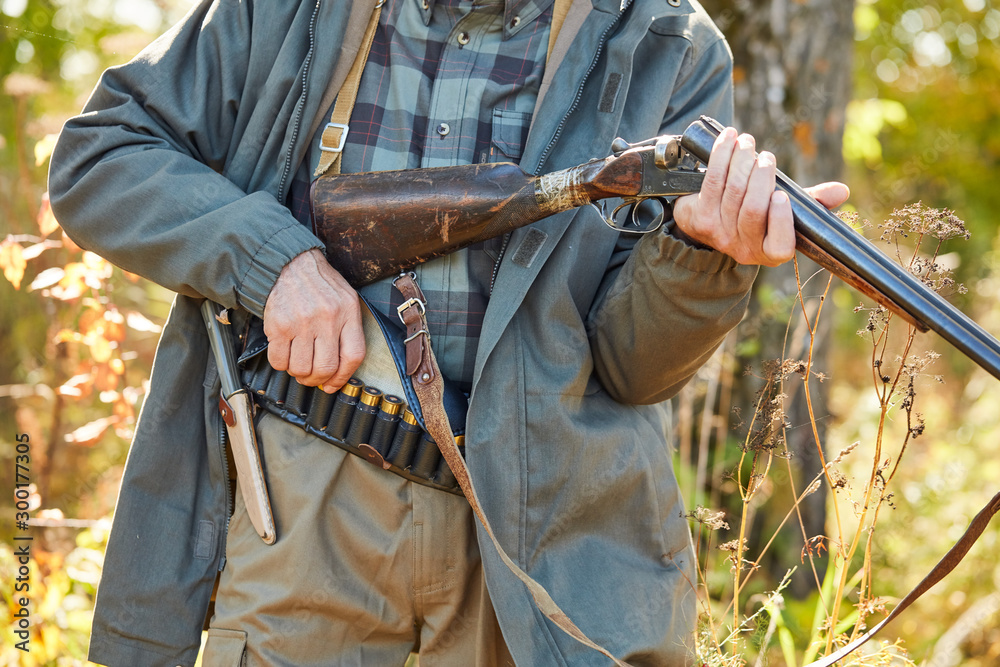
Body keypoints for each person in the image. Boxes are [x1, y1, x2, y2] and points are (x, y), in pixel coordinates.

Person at [49, 0, 848, 665]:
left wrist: (703, 255)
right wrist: (273, 261)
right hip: (304, 509)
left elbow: (632, 369)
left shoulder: (668, 38)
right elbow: (100, 156)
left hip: (537, 535)